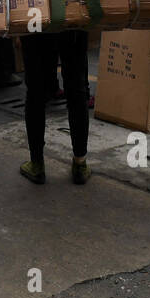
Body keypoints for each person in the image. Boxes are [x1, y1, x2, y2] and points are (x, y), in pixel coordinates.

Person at [19, 30, 91, 185]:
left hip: (36, 19)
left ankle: (37, 164)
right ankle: (80, 163)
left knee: (36, 90)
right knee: (76, 87)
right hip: (73, 18)